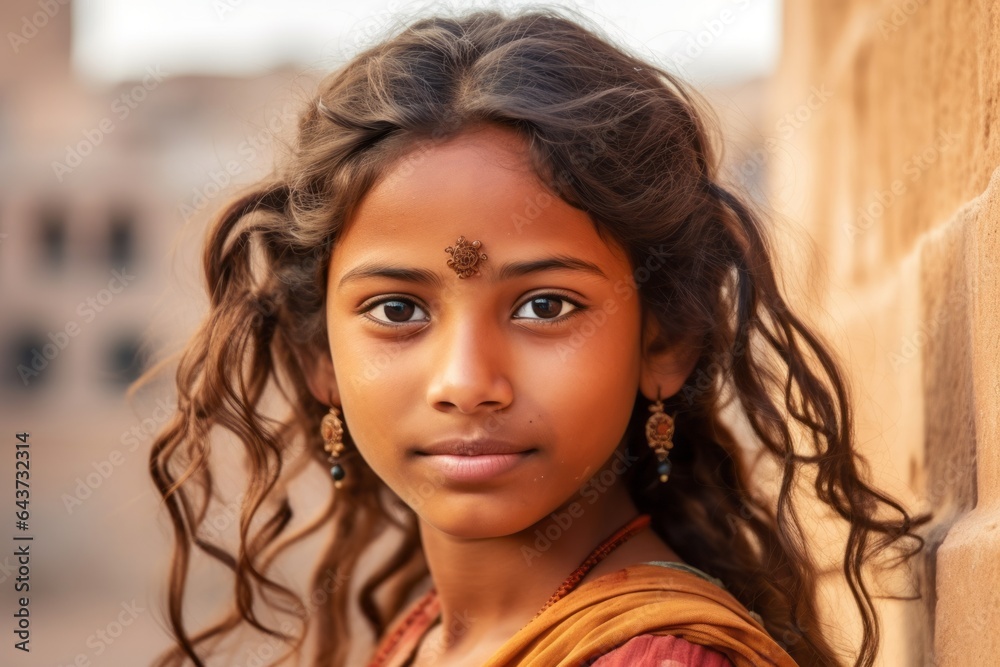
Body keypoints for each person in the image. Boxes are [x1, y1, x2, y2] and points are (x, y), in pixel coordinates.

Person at [139, 7, 927, 667]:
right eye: (398, 310)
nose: (467, 380)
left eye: (545, 306)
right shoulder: (422, 637)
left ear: (668, 343)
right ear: (320, 360)